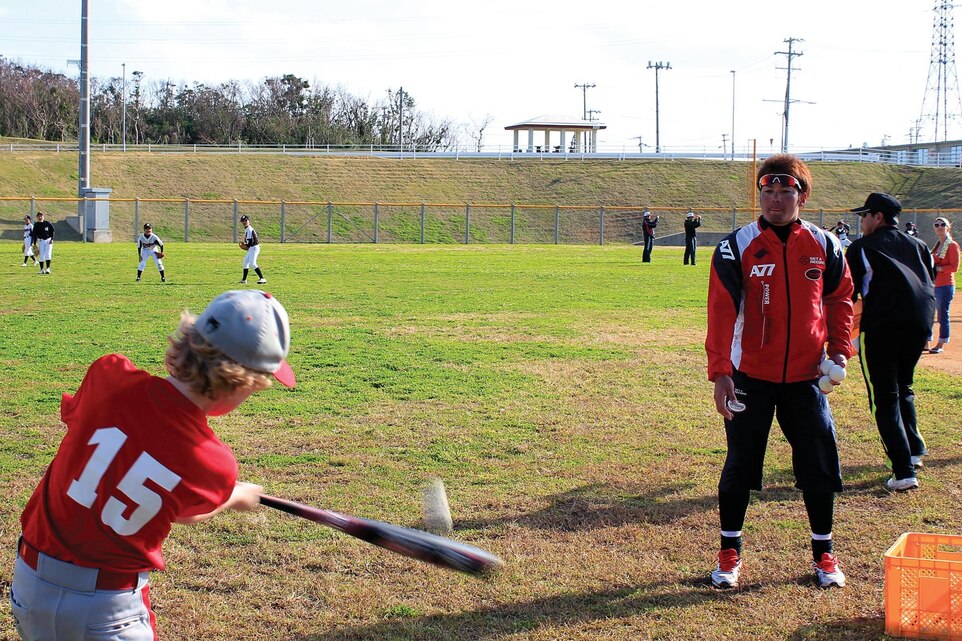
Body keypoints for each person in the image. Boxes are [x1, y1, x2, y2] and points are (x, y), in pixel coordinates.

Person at [10, 289, 295, 641]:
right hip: (106, 609)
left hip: (29, 584)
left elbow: (110, 442)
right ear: (239, 382)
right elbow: (185, 510)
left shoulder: (108, 375)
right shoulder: (212, 461)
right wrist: (234, 496)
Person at [706, 154, 854, 590]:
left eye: (784, 191)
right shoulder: (737, 246)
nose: (774, 199)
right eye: (767, 191)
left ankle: (824, 555)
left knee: (818, 465)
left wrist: (840, 350)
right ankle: (729, 553)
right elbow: (720, 312)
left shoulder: (826, 245)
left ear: (801, 196)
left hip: (807, 378)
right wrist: (721, 372)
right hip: (750, 374)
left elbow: (841, 300)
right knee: (740, 465)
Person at [846, 193, 935, 491]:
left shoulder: (862, 247)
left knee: (883, 397)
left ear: (878, 217)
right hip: (919, 324)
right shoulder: (920, 245)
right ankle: (914, 449)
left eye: (864, 216)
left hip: (883, 328)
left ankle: (903, 470)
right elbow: (927, 282)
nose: (861, 222)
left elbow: (847, 294)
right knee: (903, 386)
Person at [929, 216, 959, 354]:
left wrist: (939, 269)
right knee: (929, 314)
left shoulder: (951, 245)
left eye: (943, 224)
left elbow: (954, 267)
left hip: (945, 285)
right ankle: (926, 341)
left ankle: (941, 342)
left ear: (948, 227)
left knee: (942, 316)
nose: (940, 226)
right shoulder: (937, 246)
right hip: (935, 285)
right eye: (937, 225)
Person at [239, 214, 267, 285]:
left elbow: (250, 242)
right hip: (252, 247)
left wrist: (245, 246)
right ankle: (244, 280)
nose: (244, 222)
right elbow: (249, 242)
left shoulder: (249, 229)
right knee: (245, 263)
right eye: (242, 221)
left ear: (248, 221)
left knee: (252, 263)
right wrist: (246, 246)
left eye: (245, 220)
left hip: (254, 247)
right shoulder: (247, 229)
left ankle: (262, 278)